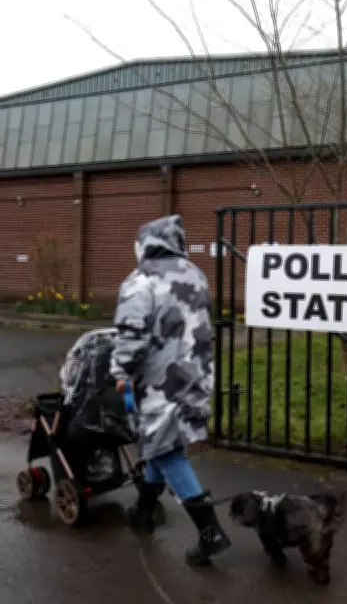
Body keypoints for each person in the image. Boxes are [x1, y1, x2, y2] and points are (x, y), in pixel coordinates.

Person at [110, 214, 232, 567]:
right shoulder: (197, 275)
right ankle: (143, 510)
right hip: (196, 374)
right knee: (163, 442)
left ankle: (211, 535)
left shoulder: (140, 281)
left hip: (160, 380)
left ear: (147, 243)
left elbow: (132, 335)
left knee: (165, 452)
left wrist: (121, 373)